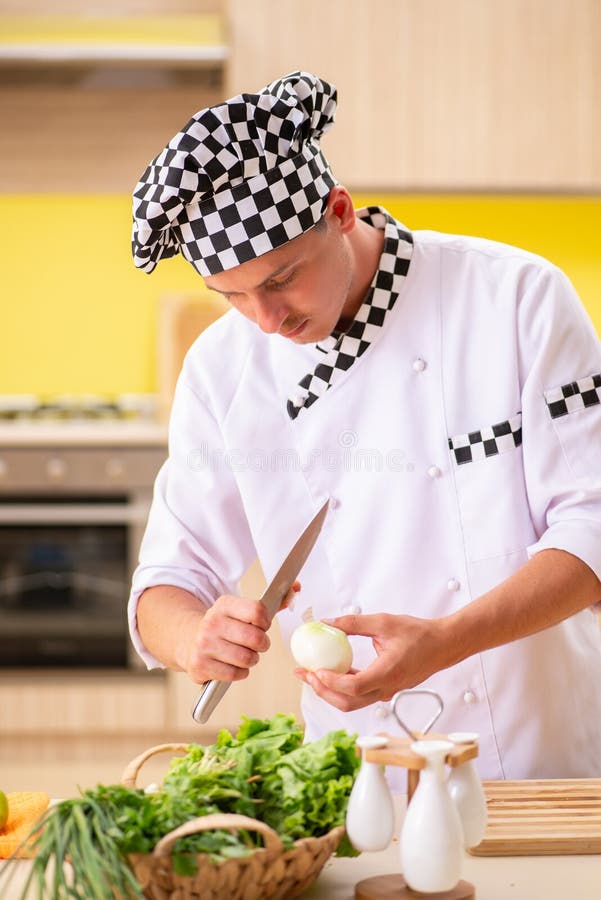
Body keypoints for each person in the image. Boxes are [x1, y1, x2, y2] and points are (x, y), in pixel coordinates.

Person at [129, 71, 601, 781]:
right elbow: (165, 582)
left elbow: (590, 526)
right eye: (231, 297)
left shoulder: (513, 298)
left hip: (542, 757)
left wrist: (445, 641)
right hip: (357, 774)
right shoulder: (222, 370)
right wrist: (196, 637)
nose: (266, 321)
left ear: (339, 211)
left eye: (282, 278)